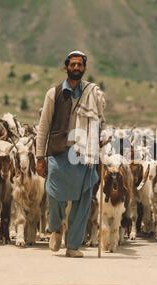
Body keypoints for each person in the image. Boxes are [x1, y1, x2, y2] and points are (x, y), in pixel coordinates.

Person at [35, 51, 106, 258]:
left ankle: (73, 246)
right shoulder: (53, 93)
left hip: (84, 155)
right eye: (72, 64)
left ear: (84, 68)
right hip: (58, 153)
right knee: (54, 195)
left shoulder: (93, 94)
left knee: (83, 201)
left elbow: (100, 121)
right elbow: (43, 127)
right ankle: (56, 228)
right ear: (66, 67)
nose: (76, 68)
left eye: (80, 65)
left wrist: (102, 137)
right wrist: (40, 158)